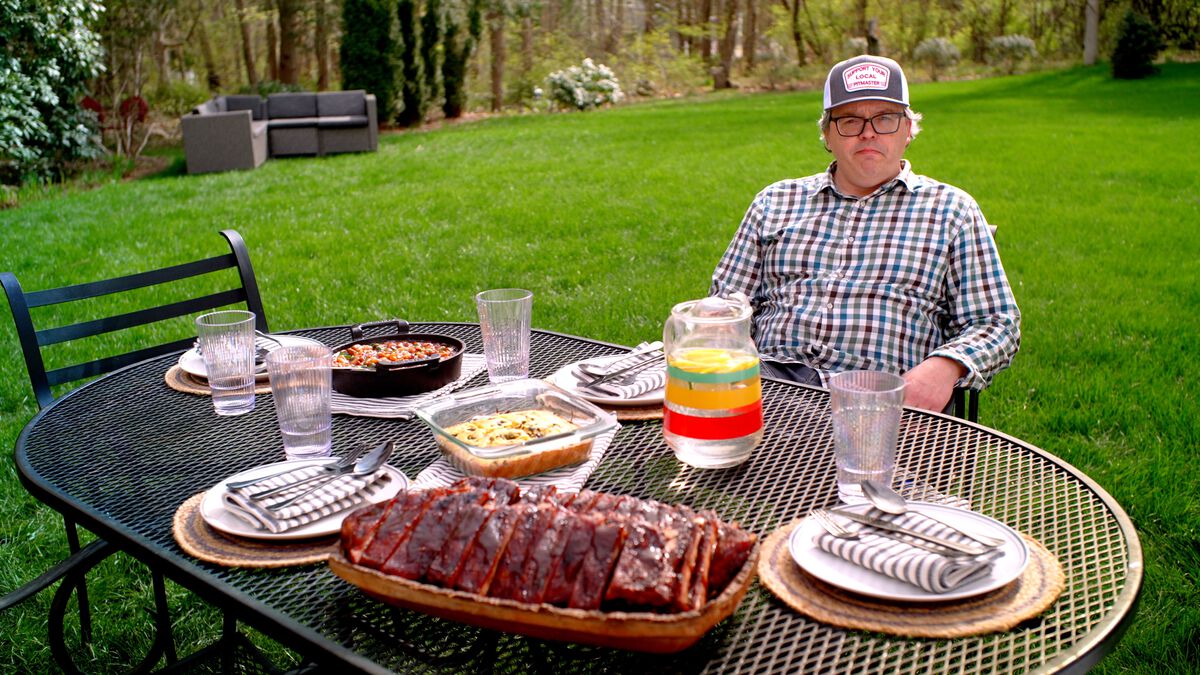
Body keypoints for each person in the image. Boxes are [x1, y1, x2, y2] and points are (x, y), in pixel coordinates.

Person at [710, 55, 1020, 413]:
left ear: (908, 131)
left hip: (882, 403)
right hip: (767, 388)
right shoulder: (774, 201)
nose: (868, 132)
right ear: (827, 134)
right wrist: (734, 343)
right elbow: (724, 302)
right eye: (850, 120)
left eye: (885, 119)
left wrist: (945, 367)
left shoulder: (952, 210)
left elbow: (996, 323)